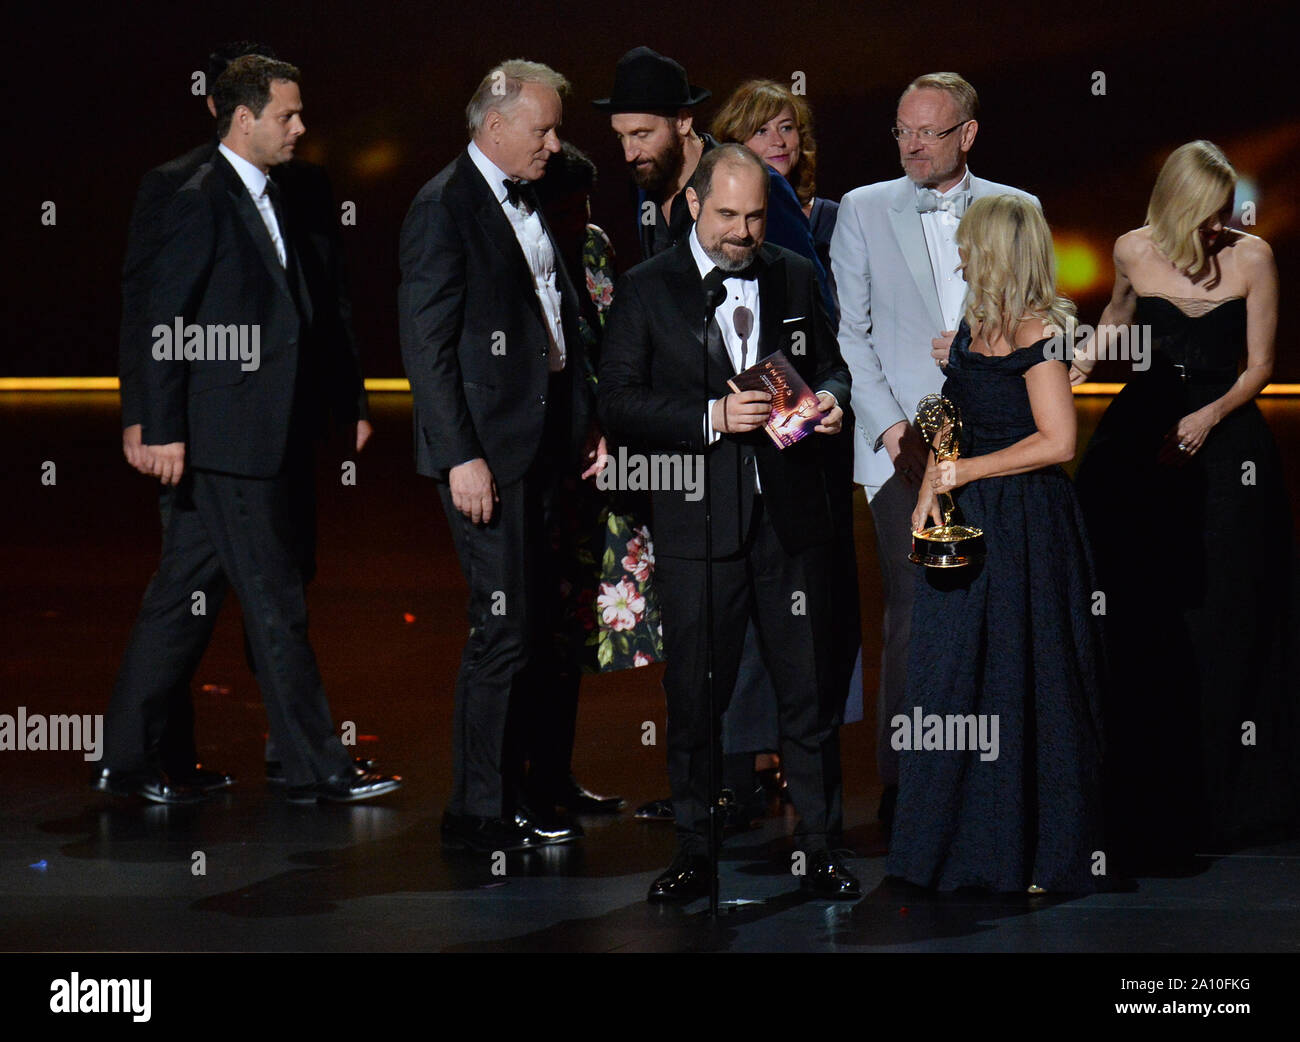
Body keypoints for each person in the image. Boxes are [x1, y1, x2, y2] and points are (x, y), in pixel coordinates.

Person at [97, 55, 400, 805]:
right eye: (288, 116)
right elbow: (161, 319)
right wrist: (160, 426)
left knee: (182, 598)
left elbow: (319, 303)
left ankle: (126, 758)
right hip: (227, 437)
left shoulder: (290, 190)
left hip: (271, 431)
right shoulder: (196, 197)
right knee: (273, 599)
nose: (301, 128)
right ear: (244, 118)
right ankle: (315, 765)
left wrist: (348, 399)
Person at [600, 144, 859, 902]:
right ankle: (695, 855)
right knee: (696, 699)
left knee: (807, 695)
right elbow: (615, 400)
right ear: (691, 204)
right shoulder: (647, 289)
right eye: (727, 216)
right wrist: (710, 416)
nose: (744, 231)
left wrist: (835, 398)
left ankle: (822, 849)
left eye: (753, 216)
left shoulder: (793, 271)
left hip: (790, 521)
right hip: (697, 524)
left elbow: (832, 361)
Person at [398, 60, 615, 853]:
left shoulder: (536, 202)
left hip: (550, 442)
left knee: (545, 626)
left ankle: (533, 784)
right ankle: (480, 808)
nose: (555, 145)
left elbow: (561, 328)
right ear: (496, 129)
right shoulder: (444, 207)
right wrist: (460, 457)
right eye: (544, 129)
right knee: (504, 629)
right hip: (488, 457)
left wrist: (587, 425)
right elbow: (427, 347)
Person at [1073, 140, 1298, 868]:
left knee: (1225, 611)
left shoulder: (1254, 258)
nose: (1215, 230)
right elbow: (1116, 317)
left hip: (1226, 439)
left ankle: (1230, 794)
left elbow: (1261, 365)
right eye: (1203, 216)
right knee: (1140, 608)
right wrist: (1072, 367)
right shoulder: (1134, 249)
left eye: (1222, 215)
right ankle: (1144, 789)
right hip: (1147, 431)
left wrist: (1210, 417)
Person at [830, 72, 1039, 834]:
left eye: (930, 132)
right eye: (903, 131)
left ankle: (992, 780)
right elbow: (848, 334)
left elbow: (1038, 308)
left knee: (998, 603)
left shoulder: (1018, 208)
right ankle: (906, 783)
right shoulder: (862, 208)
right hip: (900, 446)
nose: (914, 145)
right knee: (917, 610)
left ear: (968, 134)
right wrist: (890, 432)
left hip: (998, 439)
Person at [886, 194, 1104, 893]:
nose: (959, 256)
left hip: (1027, 527)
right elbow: (955, 416)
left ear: (998, 253)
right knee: (954, 678)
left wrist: (966, 472)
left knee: (1021, 679)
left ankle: (1035, 852)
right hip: (972, 514)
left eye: (969, 246)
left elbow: (1059, 442)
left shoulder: (1041, 335)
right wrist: (929, 490)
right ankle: (957, 846)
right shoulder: (973, 325)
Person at [533, 143, 665, 686]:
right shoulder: (526, 248)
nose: (579, 220)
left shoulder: (594, 246)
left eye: (585, 206)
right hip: (548, 445)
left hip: (608, 443)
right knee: (542, 617)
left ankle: (554, 772)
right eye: (565, 209)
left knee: (589, 617)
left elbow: (611, 338)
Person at [710, 78, 837, 313]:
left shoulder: (835, 216)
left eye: (786, 128)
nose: (778, 141)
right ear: (737, 143)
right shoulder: (723, 223)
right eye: (761, 131)